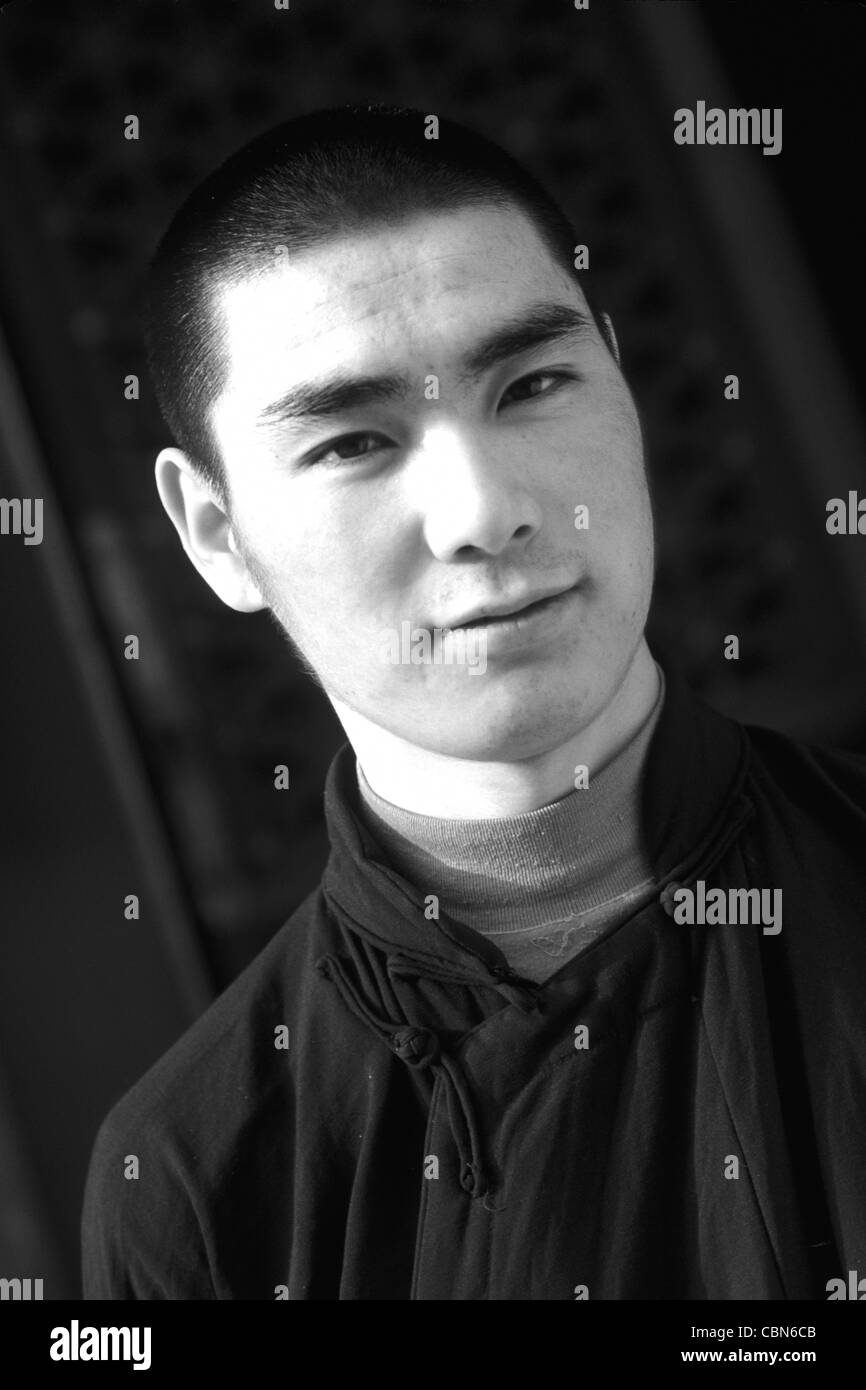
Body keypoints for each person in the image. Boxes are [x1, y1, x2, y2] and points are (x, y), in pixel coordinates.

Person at [81, 103, 866, 1300]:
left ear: (617, 378)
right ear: (214, 532)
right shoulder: (198, 1175)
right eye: (351, 442)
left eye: (534, 381)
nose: (480, 511)